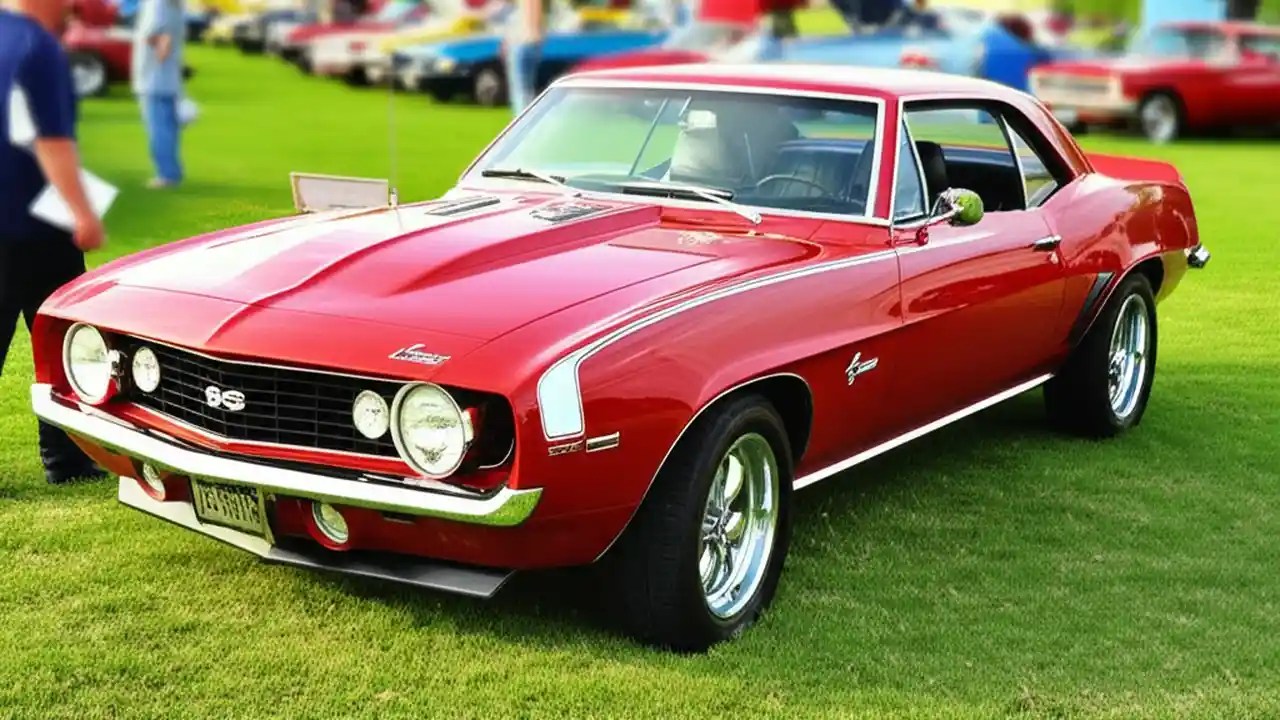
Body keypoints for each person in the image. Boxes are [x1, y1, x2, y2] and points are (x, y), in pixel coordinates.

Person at [1, 0, 107, 484]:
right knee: (60, 342)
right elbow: (53, 141)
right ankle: (64, 460)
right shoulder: (36, 46)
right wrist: (84, 213)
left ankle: (66, 459)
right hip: (36, 222)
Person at [132, 0, 185, 188]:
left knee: (159, 129)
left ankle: (166, 173)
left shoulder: (157, 3)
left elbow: (154, 32)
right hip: (168, 78)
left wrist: (154, 49)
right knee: (168, 128)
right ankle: (172, 171)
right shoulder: (176, 5)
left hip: (153, 78)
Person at [504, 0, 546, 115]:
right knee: (524, 91)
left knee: (521, 92)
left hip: (522, 43)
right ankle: (526, 121)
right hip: (527, 43)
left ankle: (523, 123)